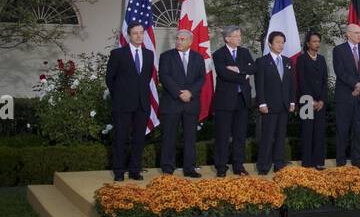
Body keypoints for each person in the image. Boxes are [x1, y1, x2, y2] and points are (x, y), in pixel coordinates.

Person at [105, 22, 154, 181]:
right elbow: (110, 78)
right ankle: (119, 171)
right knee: (121, 138)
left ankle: (134, 170)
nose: (139, 36)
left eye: (141, 32)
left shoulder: (149, 54)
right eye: (135, 33)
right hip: (123, 104)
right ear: (129, 35)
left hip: (142, 104)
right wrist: (119, 96)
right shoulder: (118, 54)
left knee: (139, 139)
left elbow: (146, 79)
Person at [159, 28, 205, 177]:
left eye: (182, 39)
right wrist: (179, 93)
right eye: (177, 38)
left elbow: (201, 78)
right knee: (169, 137)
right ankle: (167, 168)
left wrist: (190, 92)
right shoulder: (166, 56)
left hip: (191, 104)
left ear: (190, 42)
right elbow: (164, 77)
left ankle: (189, 168)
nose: (179, 41)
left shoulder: (198, 57)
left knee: (190, 138)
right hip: (172, 103)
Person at [211, 25, 254, 176]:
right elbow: (224, 75)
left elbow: (253, 68)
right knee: (222, 135)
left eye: (239, 35)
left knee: (240, 135)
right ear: (227, 38)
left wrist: (238, 69)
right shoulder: (218, 54)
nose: (239, 38)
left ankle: (238, 166)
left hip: (242, 99)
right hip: (225, 100)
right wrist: (244, 74)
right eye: (236, 36)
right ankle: (221, 167)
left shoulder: (245, 52)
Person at [254, 31, 296, 174]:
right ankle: (263, 166)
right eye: (277, 42)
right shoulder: (262, 62)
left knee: (280, 136)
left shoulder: (287, 61)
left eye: (282, 42)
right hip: (269, 106)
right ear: (270, 44)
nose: (280, 45)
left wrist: (292, 101)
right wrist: (261, 103)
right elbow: (259, 84)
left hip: (284, 105)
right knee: (267, 136)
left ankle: (279, 164)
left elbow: (291, 83)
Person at [333, 23, 360, 168]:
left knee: (359, 128)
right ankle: (341, 159)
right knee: (342, 129)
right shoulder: (339, 50)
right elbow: (340, 72)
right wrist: (355, 84)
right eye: (356, 33)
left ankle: (356, 158)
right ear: (348, 34)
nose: (359, 35)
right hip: (344, 96)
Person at [296, 30, 328, 169]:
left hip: (320, 102)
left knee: (319, 132)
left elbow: (324, 81)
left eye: (318, 41)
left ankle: (319, 161)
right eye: (314, 41)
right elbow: (302, 81)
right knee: (307, 131)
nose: (317, 44)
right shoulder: (302, 59)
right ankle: (307, 162)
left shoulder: (321, 59)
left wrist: (321, 100)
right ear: (308, 43)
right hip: (306, 101)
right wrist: (311, 100)